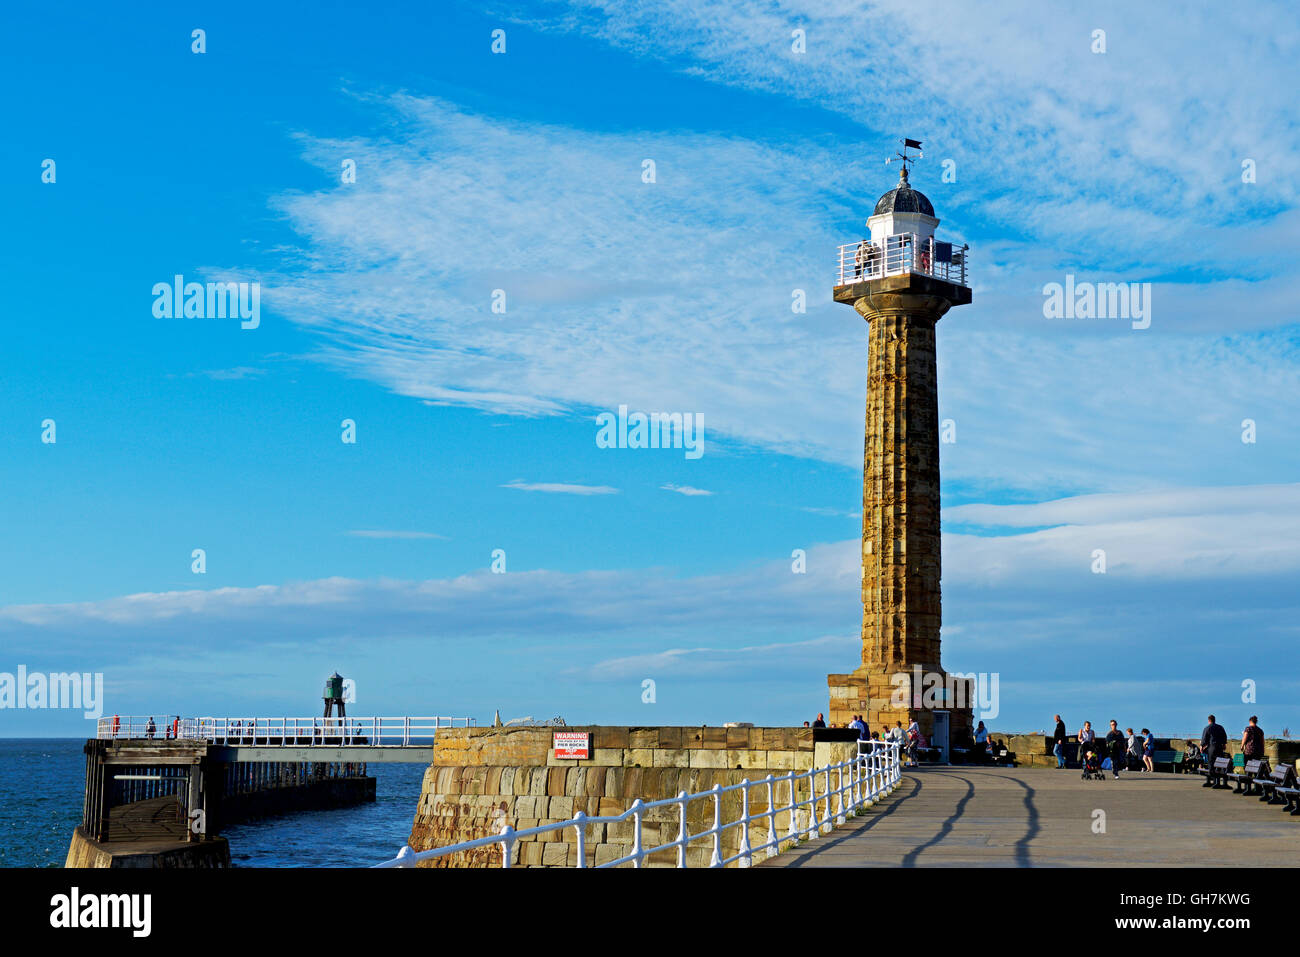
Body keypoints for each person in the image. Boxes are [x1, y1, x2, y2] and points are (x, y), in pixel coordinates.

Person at [1201, 714, 1227, 787]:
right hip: (1219, 747)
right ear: (1214, 720)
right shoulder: (1220, 727)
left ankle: (1214, 781)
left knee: (1211, 764)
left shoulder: (1207, 728)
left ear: (1209, 720)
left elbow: (1204, 738)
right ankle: (1217, 782)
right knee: (1219, 764)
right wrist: (1224, 744)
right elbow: (1224, 736)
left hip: (1211, 748)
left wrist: (1202, 746)